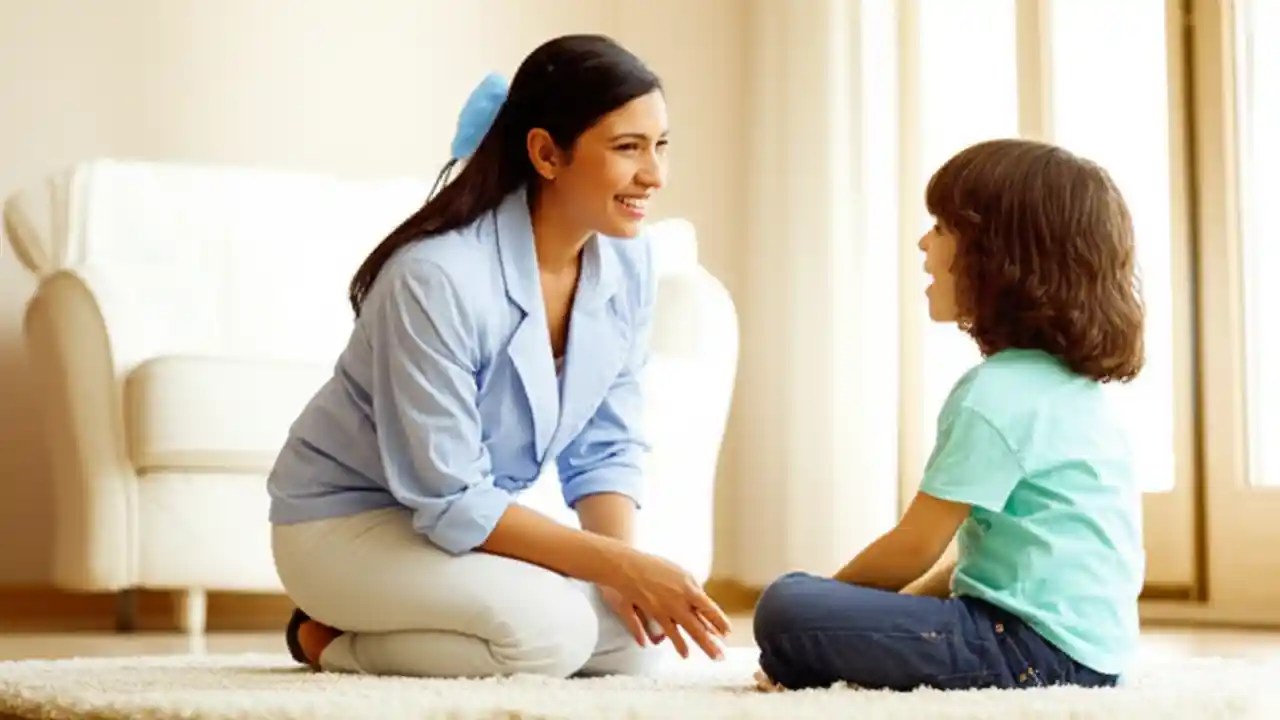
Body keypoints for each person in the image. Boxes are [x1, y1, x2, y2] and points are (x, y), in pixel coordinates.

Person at [267, 34, 731, 680]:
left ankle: (452, 620)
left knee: (642, 641)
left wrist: (623, 572)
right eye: (628, 148)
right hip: (347, 527)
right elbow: (450, 496)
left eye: (661, 146)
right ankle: (323, 638)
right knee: (551, 637)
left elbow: (606, 443)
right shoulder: (435, 278)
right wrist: (615, 566)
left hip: (451, 531)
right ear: (546, 152)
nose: (654, 174)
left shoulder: (629, 260)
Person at [752, 138, 1146, 692]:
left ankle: (808, 649)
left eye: (939, 227)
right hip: (1089, 657)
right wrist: (865, 624)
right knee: (818, 613)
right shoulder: (1074, 394)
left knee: (786, 604)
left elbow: (915, 546)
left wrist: (829, 609)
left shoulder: (995, 394)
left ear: (997, 255)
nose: (922, 243)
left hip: (1024, 650)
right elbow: (966, 565)